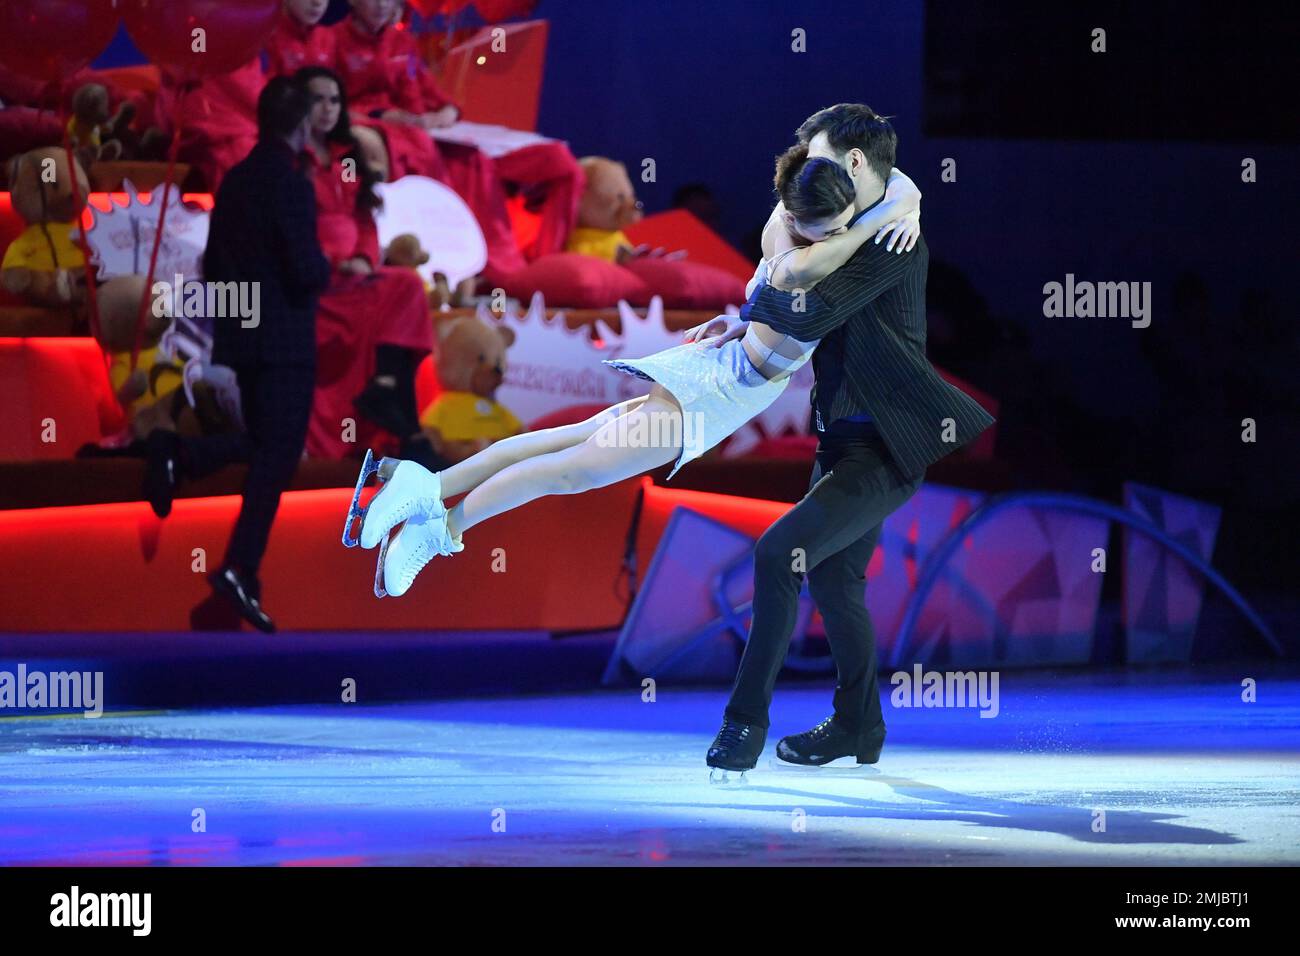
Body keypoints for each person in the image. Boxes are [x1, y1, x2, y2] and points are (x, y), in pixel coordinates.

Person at [342, 147, 924, 599]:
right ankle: (440, 527)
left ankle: (426, 487)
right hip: (714, 394)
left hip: (714, 371)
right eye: (834, 224)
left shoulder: (793, 226)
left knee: (563, 444)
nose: (842, 230)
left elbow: (895, 187)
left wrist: (907, 203)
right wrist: (889, 214)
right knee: (571, 472)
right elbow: (877, 206)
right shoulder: (805, 251)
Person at [703, 104, 995, 776]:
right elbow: (789, 307)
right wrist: (744, 322)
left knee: (779, 554)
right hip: (842, 439)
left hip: (889, 443)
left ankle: (742, 725)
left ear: (857, 163)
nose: (812, 166)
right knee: (835, 579)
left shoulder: (891, 242)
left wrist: (763, 284)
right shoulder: (860, 218)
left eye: (824, 157)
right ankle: (859, 726)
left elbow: (807, 308)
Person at [142, 77, 332, 633]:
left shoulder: (237, 180)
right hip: (285, 341)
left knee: (264, 444)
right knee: (278, 452)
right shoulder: (291, 184)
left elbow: (215, 266)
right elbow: (304, 268)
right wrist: (326, 271)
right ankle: (239, 567)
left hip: (242, 334)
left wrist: (239, 323)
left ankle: (176, 455)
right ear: (300, 125)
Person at [295, 66, 442, 470]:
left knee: (407, 285)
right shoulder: (291, 160)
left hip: (356, 275)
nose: (327, 109)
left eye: (334, 100)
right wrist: (330, 261)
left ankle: (386, 386)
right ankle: (404, 425)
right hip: (315, 281)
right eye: (317, 100)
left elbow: (364, 219)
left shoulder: (348, 155)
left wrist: (363, 254)